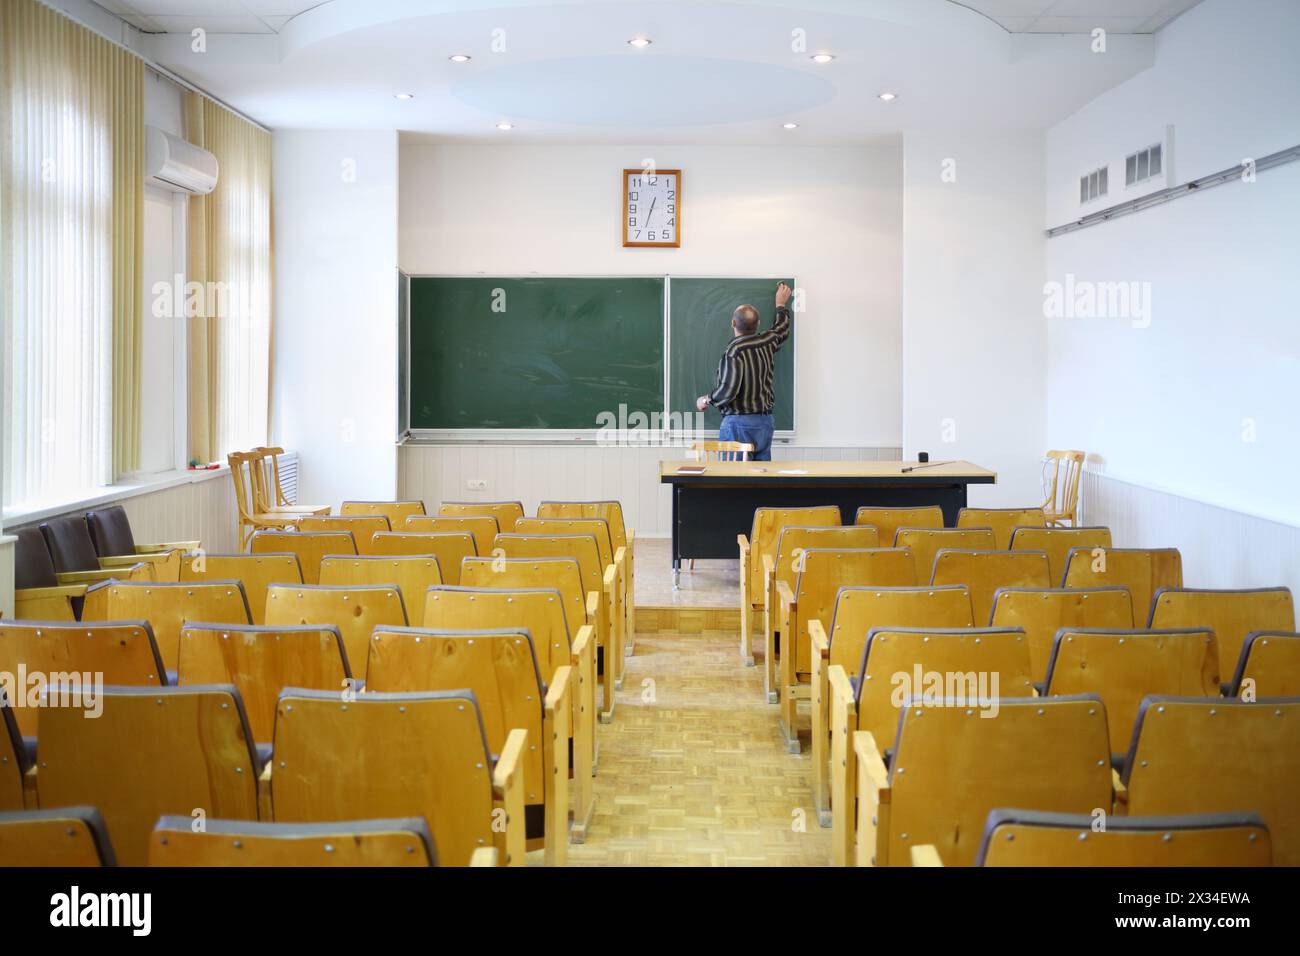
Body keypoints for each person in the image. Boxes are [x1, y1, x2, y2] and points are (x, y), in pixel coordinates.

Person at [695, 282, 792, 461]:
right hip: (764, 423)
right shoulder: (768, 341)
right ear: (758, 324)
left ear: (733, 323)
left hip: (738, 425)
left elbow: (728, 391)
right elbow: (782, 330)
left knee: (733, 480)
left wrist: (706, 399)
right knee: (759, 480)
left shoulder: (734, 352)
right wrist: (780, 305)